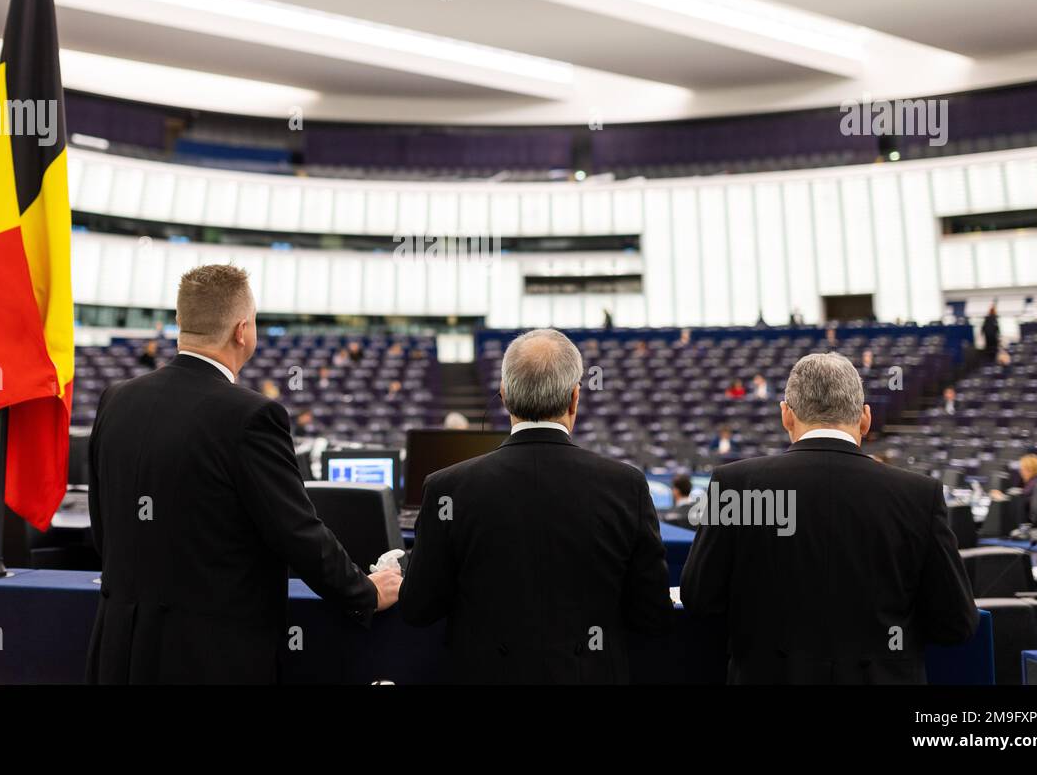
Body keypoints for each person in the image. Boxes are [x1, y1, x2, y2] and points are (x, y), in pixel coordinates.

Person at [86, 264, 401, 684]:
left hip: (116, 652)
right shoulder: (252, 415)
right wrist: (366, 591)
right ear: (242, 331)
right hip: (209, 659)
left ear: (182, 323)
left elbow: (103, 527)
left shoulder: (116, 399)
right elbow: (297, 532)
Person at [681, 353, 977, 684]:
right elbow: (956, 623)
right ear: (865, 418)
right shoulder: (919, 496)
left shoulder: (736, 486)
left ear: (786, 416)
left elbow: (699, 599)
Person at [399, 328, 673, 683]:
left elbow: (418, 609)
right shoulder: (626, 486)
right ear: (575, 398)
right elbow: (652, 616)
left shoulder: (447, 488)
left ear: (504, 396)